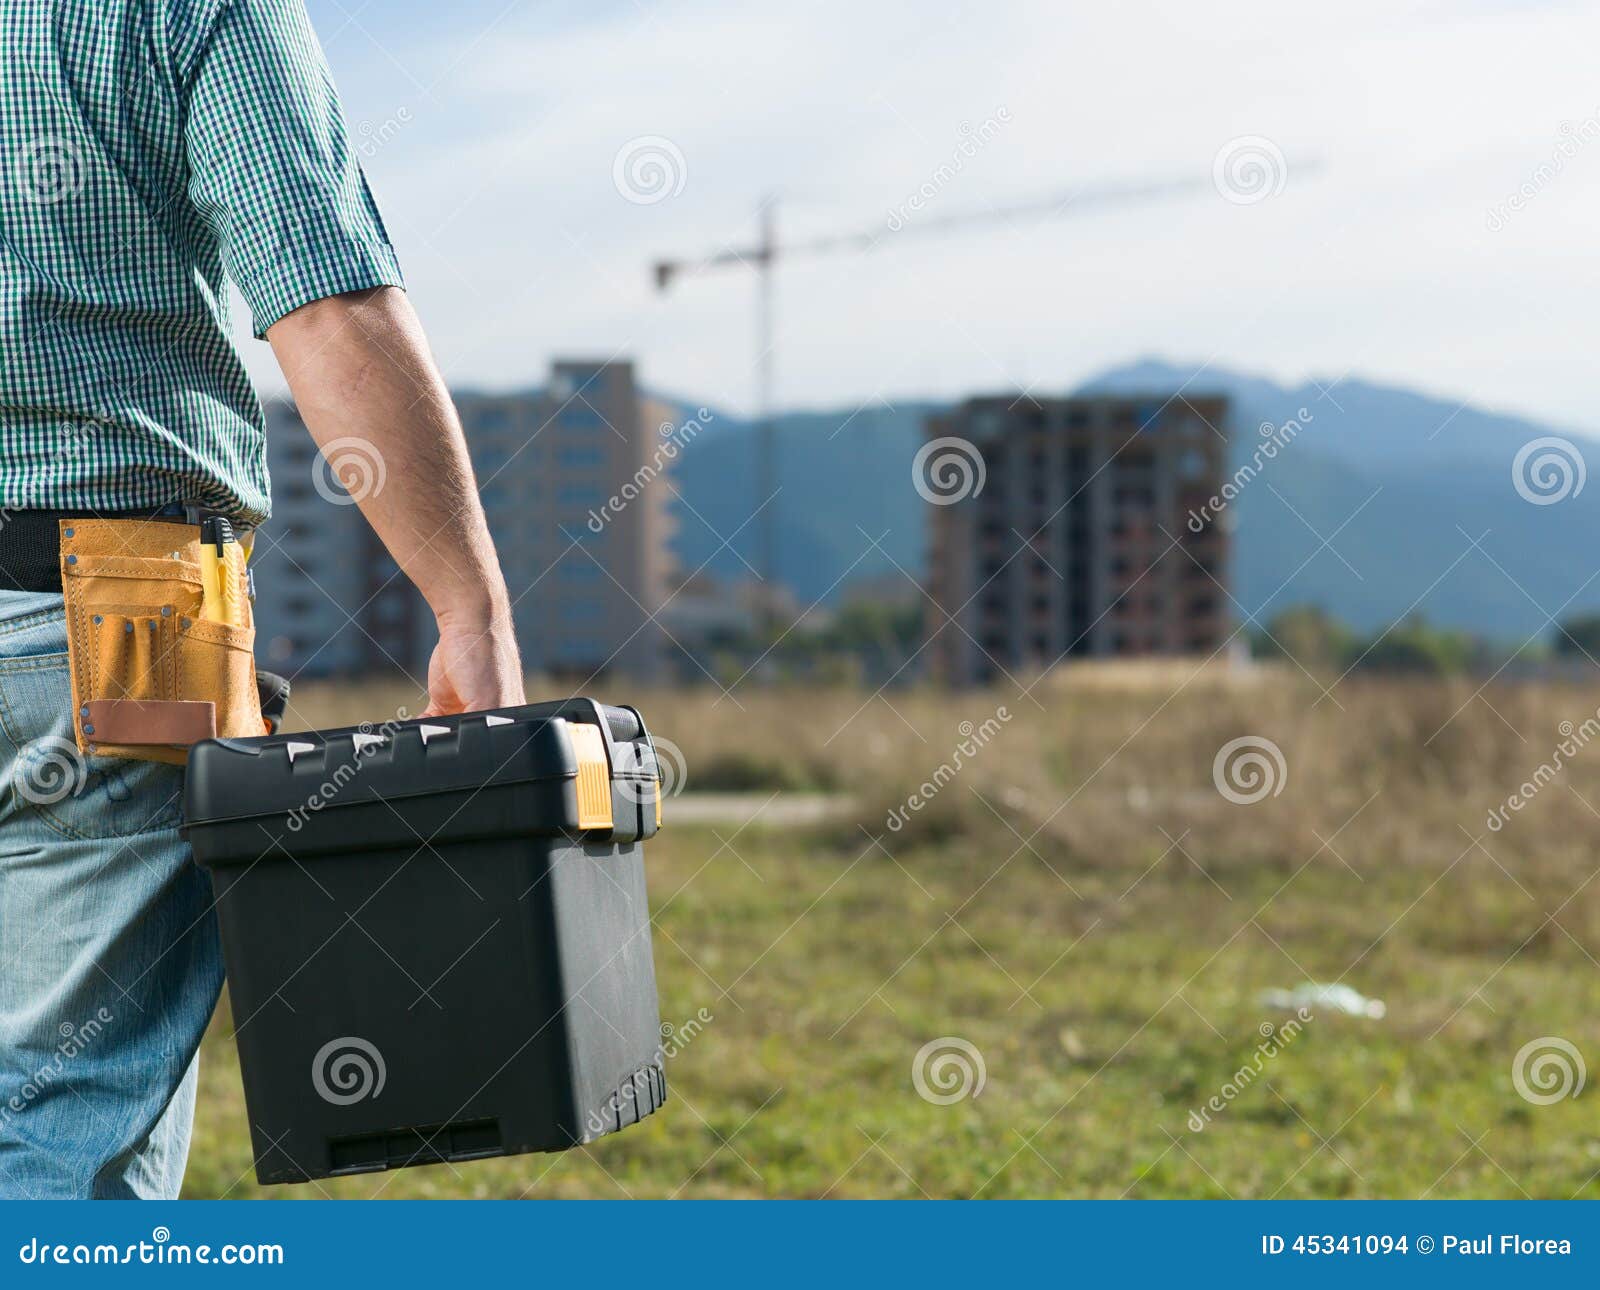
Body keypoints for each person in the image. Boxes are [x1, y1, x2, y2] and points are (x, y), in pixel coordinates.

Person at [0, 0, 522, 1198]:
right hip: (133, 603)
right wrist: (471, 612)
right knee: (69, 1126)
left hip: (124, 613)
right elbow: (326, 304)